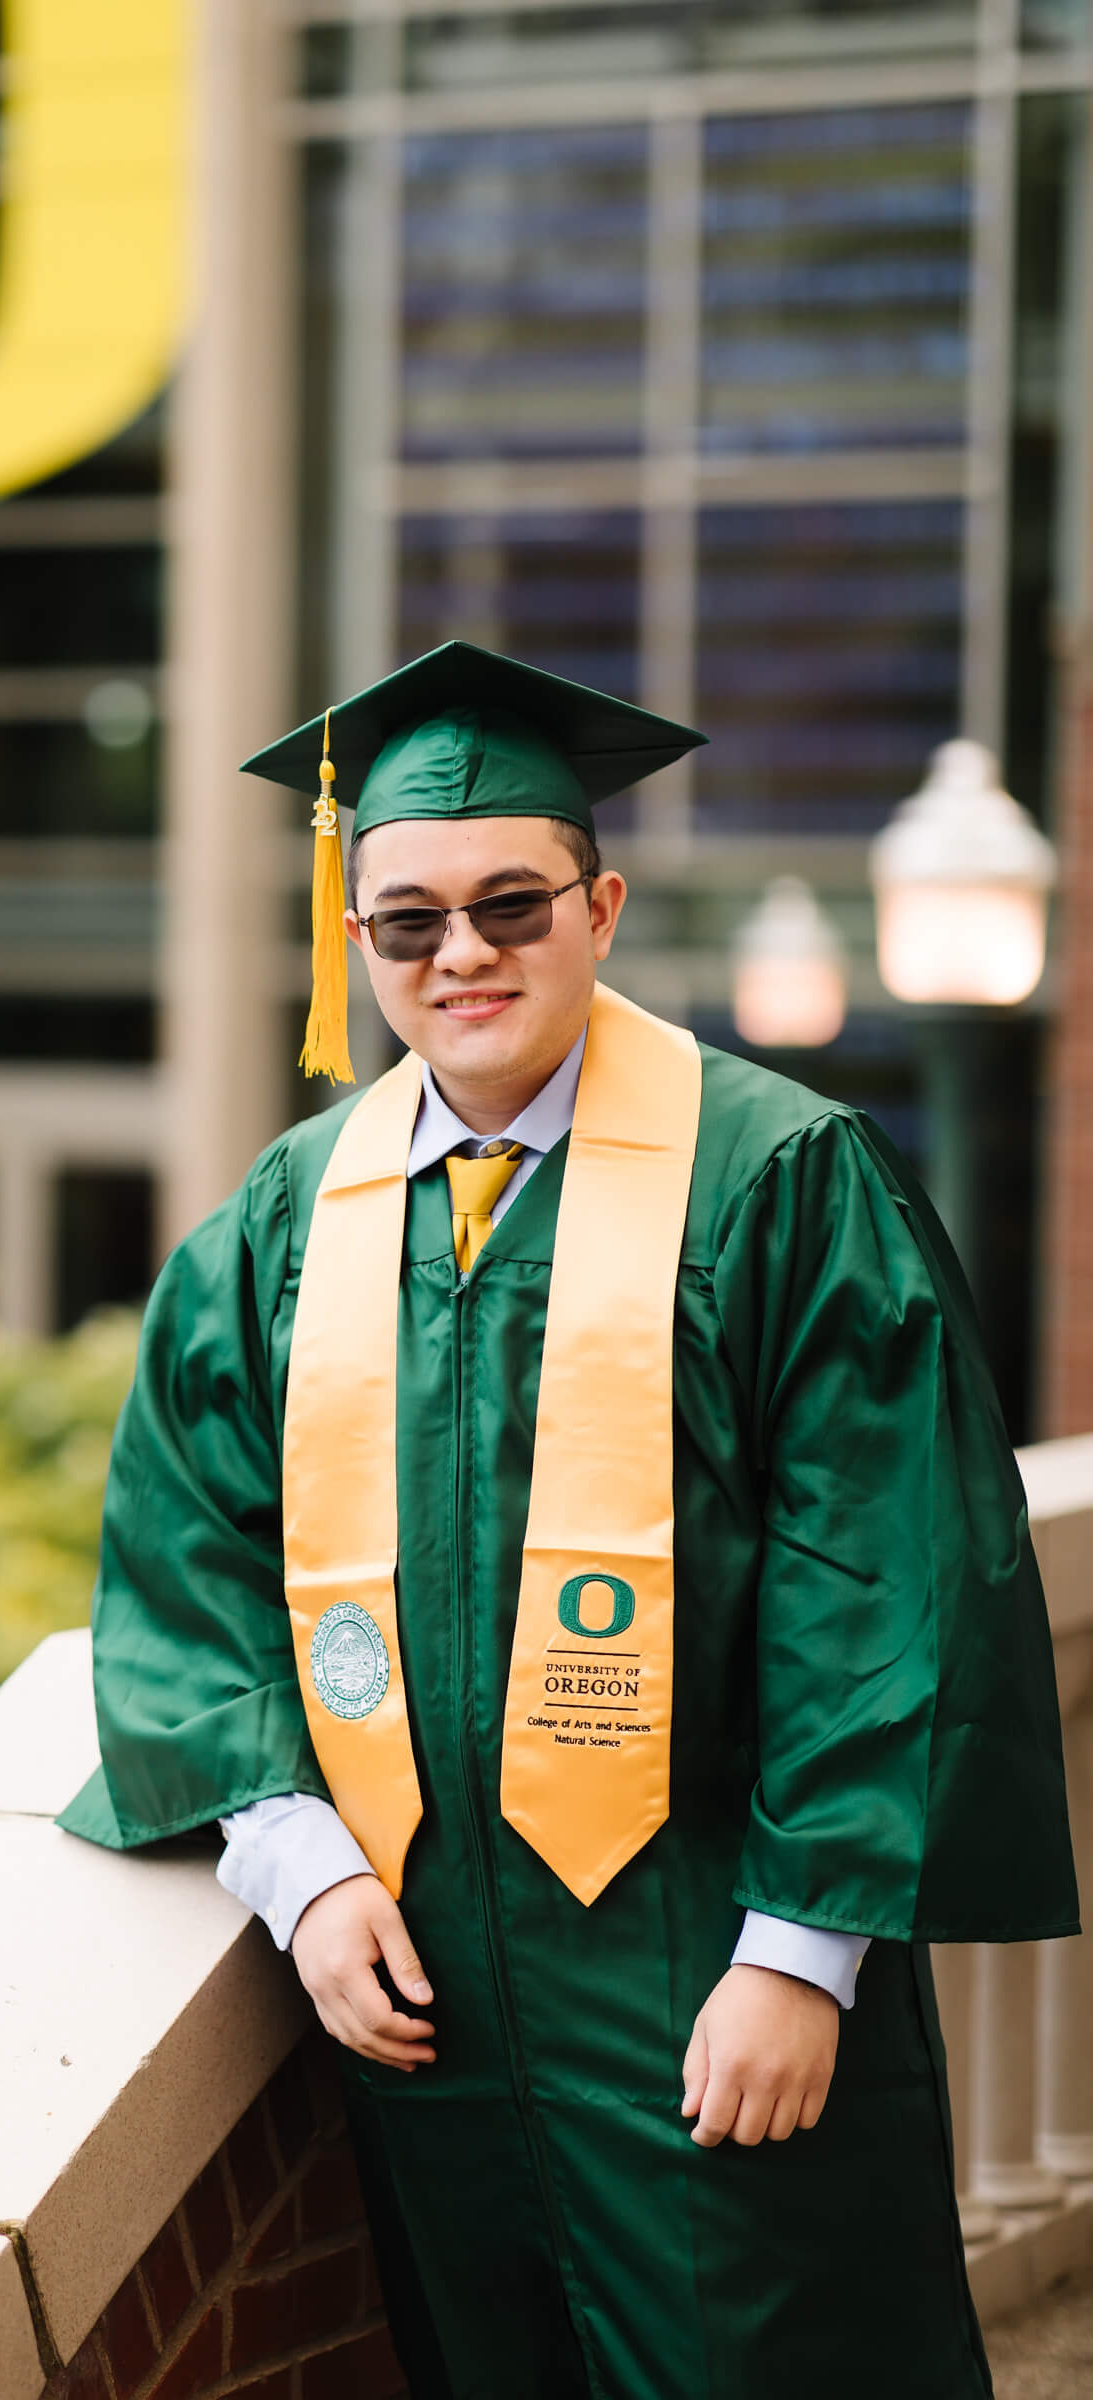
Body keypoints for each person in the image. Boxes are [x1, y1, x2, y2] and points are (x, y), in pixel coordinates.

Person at [60, 641, 1078, 2400]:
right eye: (408, 922)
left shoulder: (775, 1178)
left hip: (705, 1969)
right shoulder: (291, 1221)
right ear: (357, 938)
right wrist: (293, 1865)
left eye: (511, 905)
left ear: (599, 906)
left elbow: (885, 1573)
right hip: (426, 2006)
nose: (463, 955)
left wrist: (801, 1951)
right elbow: (188, 1559)